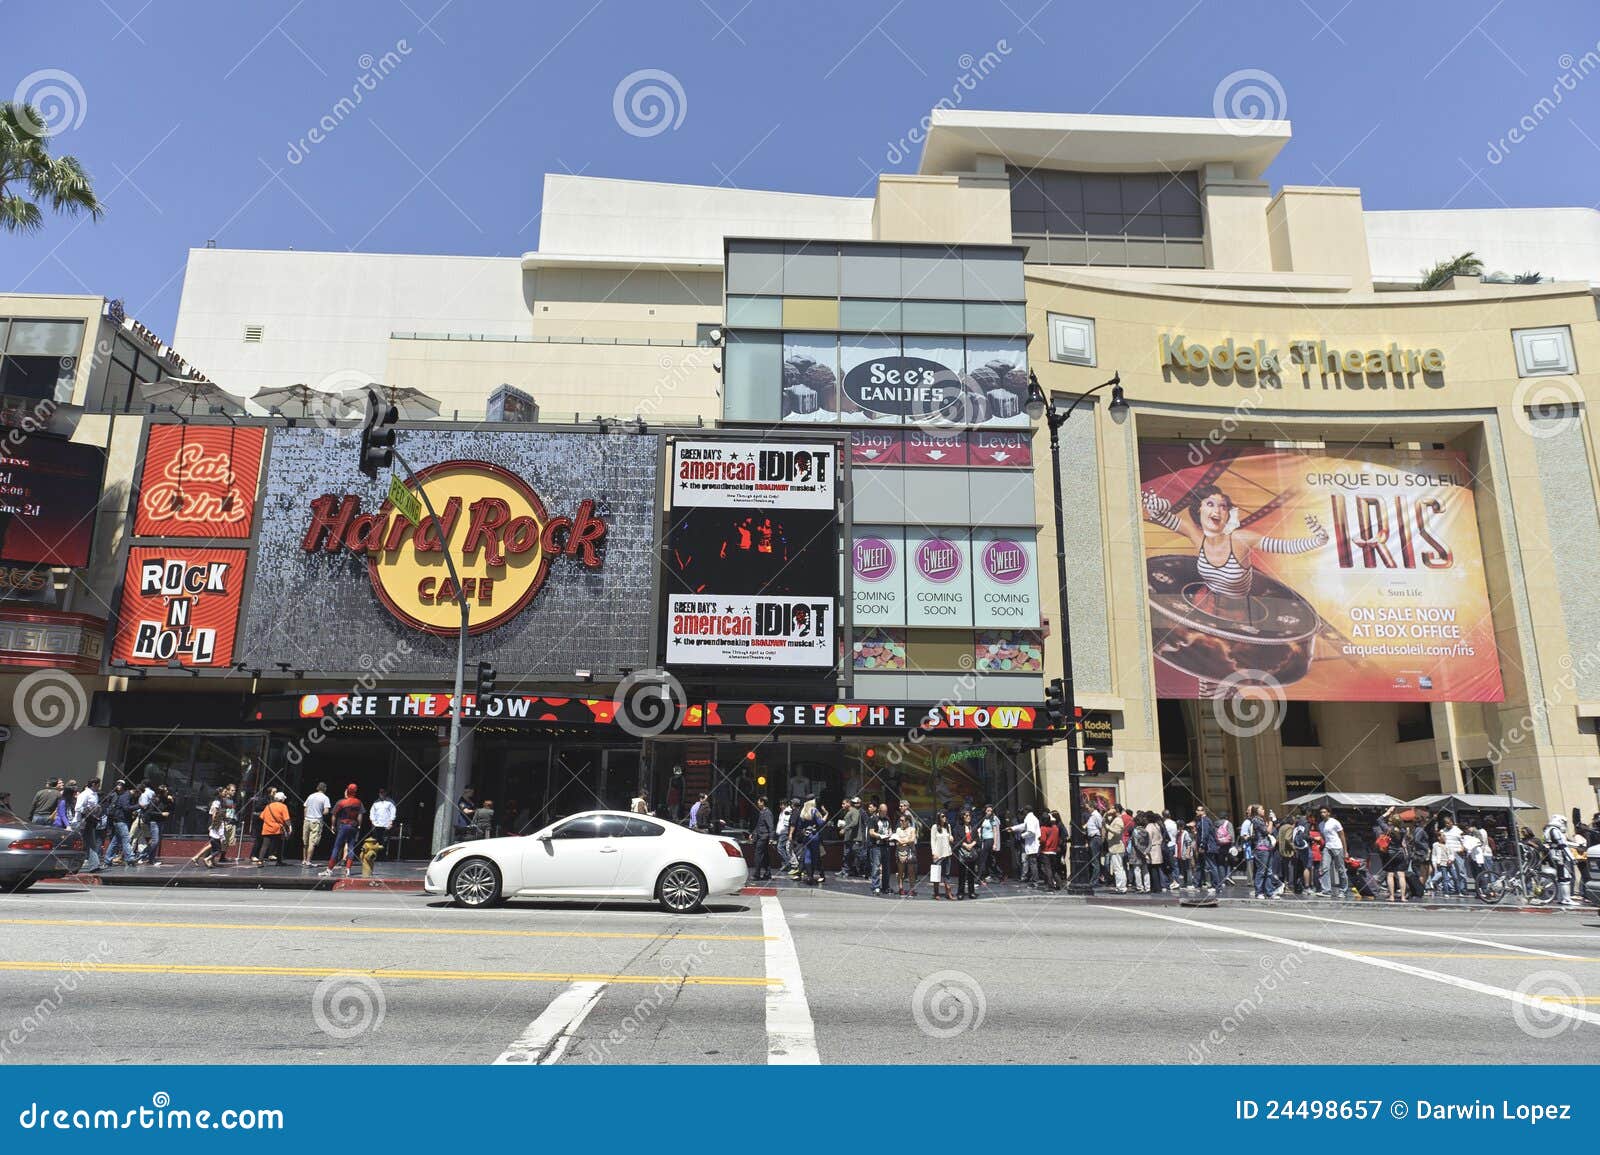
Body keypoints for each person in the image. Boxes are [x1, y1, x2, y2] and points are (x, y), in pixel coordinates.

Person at [323, 784, 364, 876]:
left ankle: (329, 869)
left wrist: (333, 825)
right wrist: (359, 826)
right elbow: (360, 815)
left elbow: (334, 814)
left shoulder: (342, 802)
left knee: (337, 847)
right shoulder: (358, 802)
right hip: (353, 826)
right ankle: (348, 869)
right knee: (351, 847)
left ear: (347, 791)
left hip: (344, 826)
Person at [1543, 814, 1583, 907]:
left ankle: (1561, 898)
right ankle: (1566, 899)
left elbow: (1562, 843)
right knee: (1564, 878)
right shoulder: (1555, 830)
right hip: (1559, 855)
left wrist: (1575, 845)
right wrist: (1572, 858)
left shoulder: (1549, 830)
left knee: (1560, 878)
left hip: (1554, 854)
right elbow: (1562, 845)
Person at [793, 795, 827, 885]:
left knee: (807, 855)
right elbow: (820, 823)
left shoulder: (803, 811)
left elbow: (800, 826)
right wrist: (826, 815)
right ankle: (813, 876)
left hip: (806, 836)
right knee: (815, 856)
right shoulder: (814, 810)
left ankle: (809, 876)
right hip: (814, 836)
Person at [1319, 807, 1349, 899]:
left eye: (1324, 812)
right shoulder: (1321, 824)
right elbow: (1324, 837)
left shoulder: (1335, 822)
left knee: (1340, 869)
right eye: (1321, 812)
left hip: (1337, 847)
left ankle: (1343, 890)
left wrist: (1345, 850)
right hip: (1328, 847)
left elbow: (1342, 836)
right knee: (1325, 868)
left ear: (1328, 813)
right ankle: (1326, 890)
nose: (1322, 814)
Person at [72, 779, 101, 872]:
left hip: (90, 822)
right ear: (93, 784)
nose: (99, 787)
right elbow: (78, 808)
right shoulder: (84, 794)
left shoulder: (94, 794)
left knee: (91, 843)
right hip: (81, 822)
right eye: (98, 785)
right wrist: (89, 810)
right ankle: (72, 865)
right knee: (79, 844)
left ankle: (94, 865)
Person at [258, 791, 292, 866]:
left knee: (265, 845)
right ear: (282, 799)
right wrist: (290, 827)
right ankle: (279, 861)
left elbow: (262, 816)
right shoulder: (283, 806)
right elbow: (286, 819)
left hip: (267, 828)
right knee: (279, 845)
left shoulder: (268, 806)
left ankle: (260, 861)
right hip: (278, 829)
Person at [868, 802, 894, 894]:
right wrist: (880, 836)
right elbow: (871, 832)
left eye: (886, 812)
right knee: (876, 867)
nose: (885, 813)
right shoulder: (874, 819)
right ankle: (876, 886)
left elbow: (890, 829)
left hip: (886, 845)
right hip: (877, 846)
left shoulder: (887, 819)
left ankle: (886, 886)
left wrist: (890, 835)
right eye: (883, 812)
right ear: (879, 810)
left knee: (886, 867)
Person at [1011, 806, 1040, 887]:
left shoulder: (1030, 818)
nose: (1023, 812)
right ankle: (1034, 879)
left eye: (1024, 810)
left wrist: (1021, 836)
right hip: (1031, 845)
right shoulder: (1030, 818)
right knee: (1032, 863)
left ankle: (1035, 881)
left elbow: (1031, 832)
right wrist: (1013, 828)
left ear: (1027, 811)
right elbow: (1023, 826)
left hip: (1032, 845)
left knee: (1032, 863)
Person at [302, 783, 331, 865]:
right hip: (316, 821)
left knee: (305, 840)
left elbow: (305, 808)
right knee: (312, 842)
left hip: (307, 820)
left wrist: (305, 818)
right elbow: (326, 811)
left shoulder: (310, 796)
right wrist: (320, 813)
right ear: (325, 789)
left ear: (317, 788)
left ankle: (304, 859)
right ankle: (308, 861)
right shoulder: (325, 798)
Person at [929, 812, 955, 900]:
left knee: (947, 874)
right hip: (938, 854)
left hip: (947, 852)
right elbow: (932, 840)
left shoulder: (948, 826)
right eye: (943, 816)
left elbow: (950, 837)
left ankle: (949, 893)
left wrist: (951, 838)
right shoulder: (935, 827)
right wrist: (934, 853)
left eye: (945, 816)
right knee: (936, 874)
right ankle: (936, 893)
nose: (945, 818)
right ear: (939, 818)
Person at [1194, 805, 1220, 894]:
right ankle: (1197, 883)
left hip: (1207, 847)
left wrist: (1201, 845)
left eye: (1198, 810)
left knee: (1212, 865)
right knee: (1200, 865)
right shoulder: (1204, 820)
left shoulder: (1204, 820)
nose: (1196, 811)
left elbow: (1204, 834)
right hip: (1208, 846)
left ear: (1203, 812)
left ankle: (1216, 885)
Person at [203, 788, 229, 868]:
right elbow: (214, 814)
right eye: (224, 791)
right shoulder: (216, 802)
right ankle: (207, 859)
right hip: (215, 823)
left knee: (215, 845)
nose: (226, 792)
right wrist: (214, 824)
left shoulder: (222, 801)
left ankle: (212, 860)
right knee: (214, 844)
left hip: (218, 822)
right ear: (220, 793)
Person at [955, 811, 979, 899]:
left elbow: (977, 838)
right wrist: (965, 845)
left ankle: (971, 892)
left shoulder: (973, 827)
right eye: (966, 815)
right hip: (963, 852)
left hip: (972, 851)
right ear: (962, 817)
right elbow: (957, 839)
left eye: (969, 815)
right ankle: (960, 892)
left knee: (971, 873)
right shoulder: (958, 827)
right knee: (962, 873)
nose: (968, 817)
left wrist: (971, 845)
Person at [893, 812, 917, 896]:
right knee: (901, 872)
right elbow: (897, 840)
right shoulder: (898, 829)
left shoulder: (912, 829)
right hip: (900, 852)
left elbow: (912, 839)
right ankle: (901, 888)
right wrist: (906, 841)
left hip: (910, 852)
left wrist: (903, 841)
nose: (900, 822)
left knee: (911, 872)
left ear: (907, 821)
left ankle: (912, 889)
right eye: (900, 821)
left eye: (902, 821)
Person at [751, 796, 774, 880]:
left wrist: (771, 838)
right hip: (759, 835)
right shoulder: (762, 812)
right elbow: (759, 825)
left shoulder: (767, 813)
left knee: (758, 855)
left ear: (762, 802)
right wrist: (753, 833)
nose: (757, 803)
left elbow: (770, 826)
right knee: (765, 856)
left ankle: (757, 874)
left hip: (764, 837)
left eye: (759, 801)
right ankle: (768, 873)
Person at [368, 787, 397, 857]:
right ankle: (376, 855)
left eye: (383, 792)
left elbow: (393, 812)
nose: (381, 793)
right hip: (377, 825)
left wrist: (391, 822)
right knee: (376, 840)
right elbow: (372, 812)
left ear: (385, 793)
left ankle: (383, 856)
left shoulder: (390, 802)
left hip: (386, 825)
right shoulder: (376, 802)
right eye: (380, 792)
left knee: (385, 841)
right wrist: (372, 821)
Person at [1105, 807, 1127, 892]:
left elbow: (1117, 831)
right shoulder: (1115, 819)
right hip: (1115, 847)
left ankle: (1121, 887)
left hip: (1116, 847)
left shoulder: (1118, 820)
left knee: (1118, 868)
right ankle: (1121, 886)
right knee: (1119, 868)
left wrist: (1108, 827)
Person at [978, 805, 1002, 881]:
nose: (989, 812)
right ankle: (999, 874)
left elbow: (995, 832)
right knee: (989, 859)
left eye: (991, 811)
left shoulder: (993, 819)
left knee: (983, 858)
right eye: (988, 810)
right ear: (985, 811)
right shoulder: (984, 819)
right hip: (984, 840)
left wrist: (995, 843)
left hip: (990, 840)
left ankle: (979, 876)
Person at [774, 799, 794, 875]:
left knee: (780, 847)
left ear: (785, 805)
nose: (780, 806)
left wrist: (783, 831)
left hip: (784, 832)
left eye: (782, 805)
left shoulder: (787, 812)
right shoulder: (783, 812)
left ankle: (788, 863)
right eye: (780, 805)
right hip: (781, 832)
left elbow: (786, 823)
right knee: (784, 848)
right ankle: (786, 863)